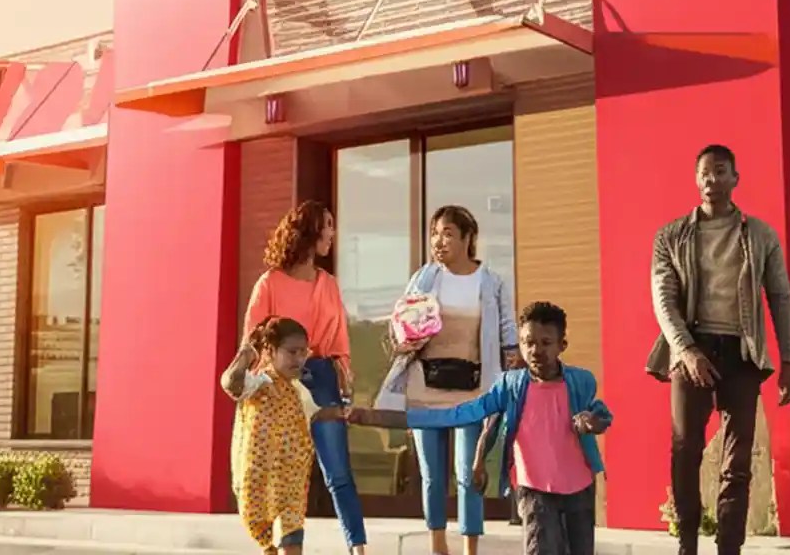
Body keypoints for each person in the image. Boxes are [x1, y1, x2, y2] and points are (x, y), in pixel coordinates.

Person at [349, 301, 613, 555]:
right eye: (528, 343)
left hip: (579, 487)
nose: (535, 351)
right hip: (535, 490)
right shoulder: (510, 385)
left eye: (545, 343)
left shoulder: (581, 381)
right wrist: (379, 418)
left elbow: (601, 413)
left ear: (561, 345)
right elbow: (457, 415)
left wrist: (592, 421)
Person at [647, 144, 790, 555]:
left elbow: (781, 297)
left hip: (741, 353)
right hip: (691, 348)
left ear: (735, 178)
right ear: (696, 179)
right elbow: (663, 300)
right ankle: (686, 544)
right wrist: (687, 351)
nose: (711, 179)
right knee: (685, 448)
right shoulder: (670, 236)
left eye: (720, 171)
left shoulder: (761, 235)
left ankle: (729, 546)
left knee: (737, 459)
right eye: (704, 172)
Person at [389, 205, 518, 555]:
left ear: (467, 238)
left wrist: (511, 368)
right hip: (425, 384)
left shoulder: (491, 281)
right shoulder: (425, 277)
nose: (439, 241)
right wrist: (403, 338)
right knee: (431, 475)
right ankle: (437, 545)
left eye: (447, 233)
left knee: (467, 472)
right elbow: (400, 318)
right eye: (435, 233)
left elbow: (508, 331)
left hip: (473, 389)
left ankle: (469, 547)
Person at [243, 201, 367, 554]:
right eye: (328, 225)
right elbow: (252, 340)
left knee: (338, 473)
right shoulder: (269, 283)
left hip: (323, 377)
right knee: (281, 477)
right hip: (279, 385)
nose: (332, 233)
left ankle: (358, 548)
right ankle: (280, 547)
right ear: (311, 230)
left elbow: (340, 337)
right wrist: (255, 385)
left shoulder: (329, 284)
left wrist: (343, 372)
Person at [222, 317, 343, 555]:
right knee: (272, 548)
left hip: (291, 491)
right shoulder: (258, 383)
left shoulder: (300, 391)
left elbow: (318, 414)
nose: (299, 359)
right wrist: (246, 354)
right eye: (291, 352)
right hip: (260, 490)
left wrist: (348, 411)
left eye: (303, 352)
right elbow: (230, 382)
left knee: (291, 543)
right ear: (271, 351)